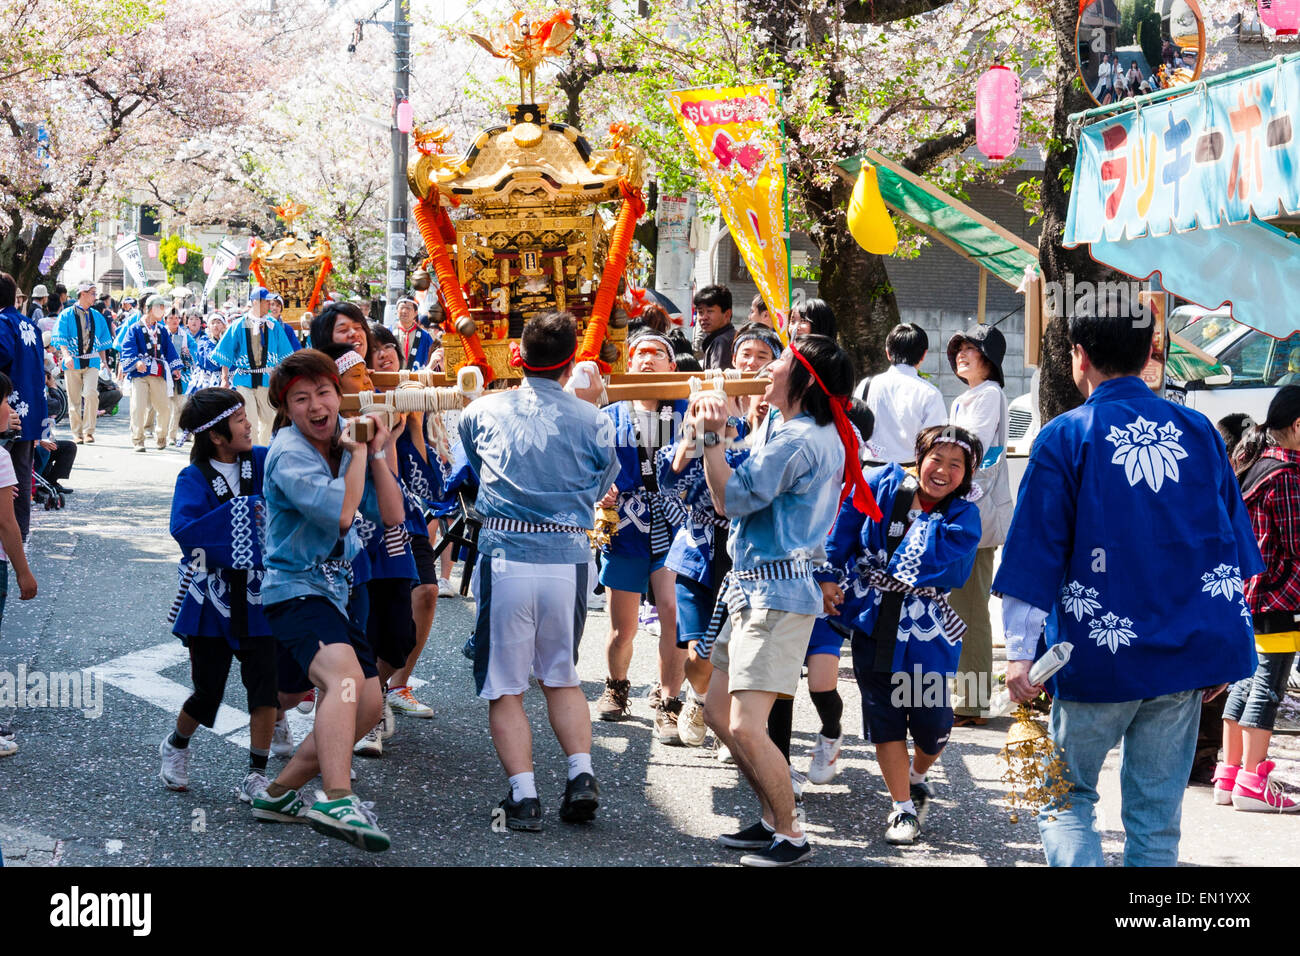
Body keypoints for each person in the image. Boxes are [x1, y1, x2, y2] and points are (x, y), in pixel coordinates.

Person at [993, 309, 1264, 867]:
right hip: (1185, 653)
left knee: (1064, 799)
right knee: (1156, 824)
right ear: (1148, 357)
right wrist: (1218, 649)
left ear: (1079, 356)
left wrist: (1020, 655)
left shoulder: (1065, 435)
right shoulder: (1199, 433)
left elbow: (1033, 554)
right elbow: (1230, 548)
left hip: (1095, 656)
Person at [695, 334, 862, 867]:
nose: (768, 370)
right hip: (760, 587)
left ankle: (791, 833)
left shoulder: (799, 440)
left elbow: (728, 499)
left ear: (805, 379)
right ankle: (771, 817)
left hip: (775, 592)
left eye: (780, 363)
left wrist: (711, 435)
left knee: (744, 723)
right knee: (718, 711)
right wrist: (716, 436)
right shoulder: (801, 431)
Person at [458, 312, 616, 832]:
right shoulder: (597, 420)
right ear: (572, 362)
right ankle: (581, 773)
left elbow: (478, 475)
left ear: (517, 358)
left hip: (505, 551)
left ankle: (524, 795)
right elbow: (597, 489)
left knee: (506, 686)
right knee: (561, 674)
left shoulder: (480, 410)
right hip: (567, 554)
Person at [249, 349, 403, 851]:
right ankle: (337, 798)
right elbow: (340, 513)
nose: (316, 405)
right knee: (342, 682)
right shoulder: (290, 452)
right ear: (285, 408)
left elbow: (394, 515)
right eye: (301, 398)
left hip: (338, 591)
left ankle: (276, 795)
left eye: (323, 392)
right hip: (294, 589)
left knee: (367, 706)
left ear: (340, 395)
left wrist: (376, 448)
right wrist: (358, 452)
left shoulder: (345, 443)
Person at [821, 425, 982, 844]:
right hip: (876, 619)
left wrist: (895, 540)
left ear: (967, 474)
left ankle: (917, 775)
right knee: (886, 719)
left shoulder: (965, 515)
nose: (943, 471)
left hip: (928, 630)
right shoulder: (880, 482)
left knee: (933, 724)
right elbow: (841, 533)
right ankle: (902, 809)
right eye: (936, 459)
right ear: (919, 455)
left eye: (956, 465)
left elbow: (940, 562)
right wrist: (827, 576)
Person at [662, 324, 783, 748]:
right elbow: (670, 475)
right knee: (697, 651)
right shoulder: (709, 402)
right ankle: (699, 697)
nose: (750, 364)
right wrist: (697, 431)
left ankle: (735, 726)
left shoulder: (780, 421)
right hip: (699, 546)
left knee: (740, 651)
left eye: (761, 357)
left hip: (750, 553)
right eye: (744, 355)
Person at [160, 389, 276, 802]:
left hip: (260, 597)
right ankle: (176, 744)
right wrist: (247, 514)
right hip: (213, 600)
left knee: (266, 686)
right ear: (216, 436)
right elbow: (186, 533)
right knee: (208, 691)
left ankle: (257, 773)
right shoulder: (192, 479)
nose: (249, 424)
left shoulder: (262, 460)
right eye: (240, 419)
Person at [594, 330, 689, 740]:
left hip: (673, 524)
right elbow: (590, 467)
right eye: (639, 354)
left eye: (656, 354)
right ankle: (617, 685)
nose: (646, 360)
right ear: (628, 366)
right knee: (623, 629)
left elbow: (711, 458)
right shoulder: (608, 414)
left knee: (673, 613)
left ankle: (669, 701)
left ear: (672, 366)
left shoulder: (687, 412)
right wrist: (603, 490)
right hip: (625, 526)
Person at [1214, 392, 1300, 812]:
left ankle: (1229, 774)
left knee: (1246, 681)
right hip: (1282, 598)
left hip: (1252, 595)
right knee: (1269, 686)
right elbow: (1297, 547)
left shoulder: (1256, 465)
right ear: (1298, 426)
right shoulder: (1286, 475)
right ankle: (1252, 779)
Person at [367, 324, 439, 720]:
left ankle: (397, 684)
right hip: (372, 521)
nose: (383, 355)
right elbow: (386, 480)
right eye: (374, 350)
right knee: (379, 614)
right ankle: (369, 698)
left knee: (427, 592)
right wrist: (390, 435)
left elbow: (429, 484)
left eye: (388, 347)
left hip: (408, 519)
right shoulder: (359, 401)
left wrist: (412, 424)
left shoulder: (413, 401)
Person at [945, 325, 1013, 725]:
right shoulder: (967, 397)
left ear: (989, 360)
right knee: (962, 604)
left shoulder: (988, 394)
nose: (962, 355)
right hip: (966, 513)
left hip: (976, 515)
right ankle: (965, 696)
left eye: (972, 349)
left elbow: (974, 450)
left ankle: (970, 702)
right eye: (959, 349)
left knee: (969, 606)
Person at [0, 369, 37, 757]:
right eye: (4, 401)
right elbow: (7, 522)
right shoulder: (1, 458)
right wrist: (23, 570)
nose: (10, 409)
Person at [0, 272, 50, 541]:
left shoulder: (2, 321)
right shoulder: (29, 323)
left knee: (4, 474)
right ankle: (20, 530)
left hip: (9, 410)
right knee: (20, 470)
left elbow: (2, 354)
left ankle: (8, 530)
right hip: (32, 407)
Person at [212, 288, 296, 446]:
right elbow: (226, 351)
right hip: (244, 378)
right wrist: (224, 379)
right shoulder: (238, 325)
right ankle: (253, 452)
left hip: (267, 378)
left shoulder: (273, 325)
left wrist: (285, 379)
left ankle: (262, 449)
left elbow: (285, 354)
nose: (270, 305)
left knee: (271, 418)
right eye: (266, 301)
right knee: (249, 419)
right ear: (256, 302)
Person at [864, 323, 946, 465]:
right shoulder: (930, 393)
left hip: (868, 472)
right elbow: (935, 442)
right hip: (909, 475)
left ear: (888, 353)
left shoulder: (867, 385)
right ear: (923, 355)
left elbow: (853, 430)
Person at [51, 281, 113, 444]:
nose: (95, 296)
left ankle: (89, 431)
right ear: (83, 294)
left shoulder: (97, 316)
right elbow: (60, 337)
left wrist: (104, 362)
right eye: (92, 293)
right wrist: (66, 355)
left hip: (92, 360)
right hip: (72, 361)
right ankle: (77, 432)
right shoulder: (65, 315)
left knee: (92, 394)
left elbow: (103, 342)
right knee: (74, 399)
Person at [120, 295, 183, 453]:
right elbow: (127, 349)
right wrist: (136, 362)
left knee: (164, 408)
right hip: (140, 374)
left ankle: (161, 436)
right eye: (159, 307)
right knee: (138, 407)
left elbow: (170, 351)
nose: (162, 311)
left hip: (158, 373)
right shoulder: (134, 328)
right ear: (148, 309)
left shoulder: (162, 330)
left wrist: (175, 367)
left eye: (163, 308)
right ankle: (138, 440)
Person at [164, 310, 200, 444]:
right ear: (166, 319)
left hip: (182, 375)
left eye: (177, 318)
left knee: (179, 406)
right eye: (171, 317)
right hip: (164, 373)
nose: (174, 320)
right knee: (164, 406)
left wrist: (188, 352)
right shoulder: (161, 333)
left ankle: (171, 436)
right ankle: (161, 431)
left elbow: (195, 352)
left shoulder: (185, 336)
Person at [693, 284, 736, 370]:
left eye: (710, 311)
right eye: (700, 312)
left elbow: (716, 380)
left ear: (727, 314)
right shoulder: (732, 335)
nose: (704, 317)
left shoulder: (721, 342)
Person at [393, 297, 435, 370]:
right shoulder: (388, 333)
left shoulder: (426, 336)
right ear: (397, 311)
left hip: (418, 378)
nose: (404, 311)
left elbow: (432, 358)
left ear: (416, 313)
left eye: (408, 308)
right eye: (402, 307)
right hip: (393, 378)